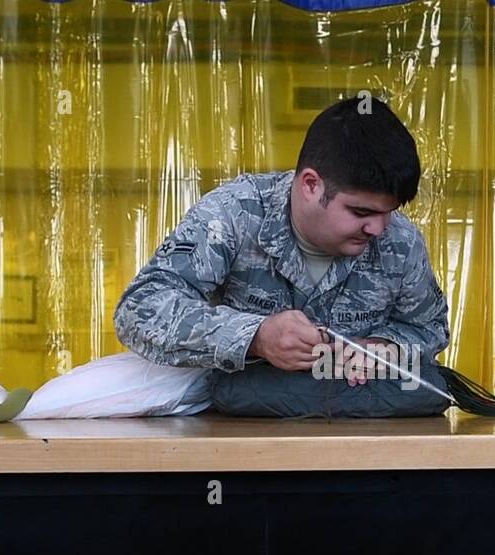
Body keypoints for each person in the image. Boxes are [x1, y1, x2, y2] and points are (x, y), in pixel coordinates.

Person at [113, 96, 450, 392]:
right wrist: (255, 336)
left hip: (357, 432)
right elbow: (140, 309)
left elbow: (429, 329)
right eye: (361, 211)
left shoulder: (400, 241)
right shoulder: (233, 214)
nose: (378, 228)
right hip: (236, 434)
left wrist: (379, 348)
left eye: (388, 212)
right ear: (311, 185)